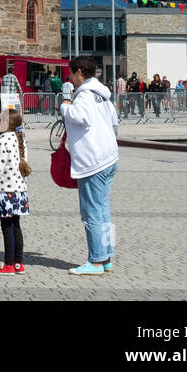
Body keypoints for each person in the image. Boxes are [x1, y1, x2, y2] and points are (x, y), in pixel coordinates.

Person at [61, 55, 120, 276]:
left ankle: (95, 261)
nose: (69, 77)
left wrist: (65, 107)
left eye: (70, 72)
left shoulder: (85, 94)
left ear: (78, 72)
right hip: (109, 157)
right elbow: (114, 121)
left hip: (93, 161)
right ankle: (107, 257)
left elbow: (80, 116)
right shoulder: (102, 94)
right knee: (103, 209)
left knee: (91, 212)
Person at [0, 109, 30, 274]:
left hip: (6, 191)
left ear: (6, 124)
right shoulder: (20, 140)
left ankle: (8, 264)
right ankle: (18, 263)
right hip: (19, 190)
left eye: (0, 120)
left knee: (6, 228)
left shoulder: (2, 142)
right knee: (16, 226)